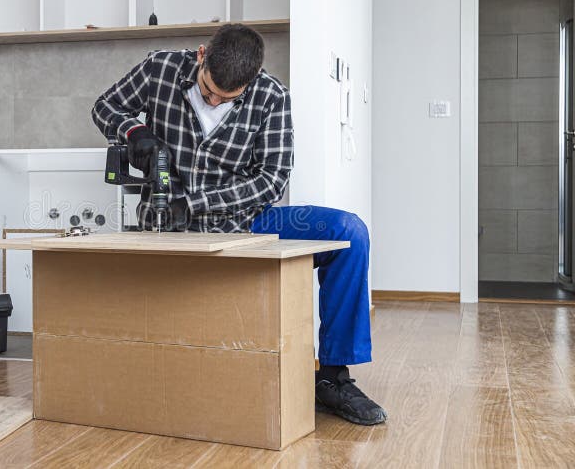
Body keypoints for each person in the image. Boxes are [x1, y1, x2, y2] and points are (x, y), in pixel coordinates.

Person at [91, 23, 387, 426]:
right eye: (207, 89)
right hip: (167, 227)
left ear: (251, 81)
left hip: (246, 223)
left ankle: (332, 378)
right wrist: (135, 130)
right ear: (201, 56)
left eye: (226, 98)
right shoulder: (159, 68)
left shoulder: (272, 96)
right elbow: (105, 106)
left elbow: (272, 179)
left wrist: (194, 204)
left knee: (348, 233)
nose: (213, 101)